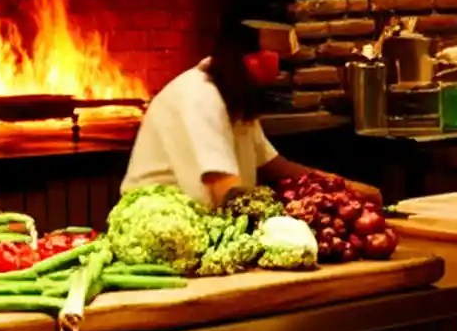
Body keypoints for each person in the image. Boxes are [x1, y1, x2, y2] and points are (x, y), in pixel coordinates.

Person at [122, 15, 383, 209]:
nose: (278, 74)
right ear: (248, 60)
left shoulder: (232, 96)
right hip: (161, 229)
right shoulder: (200, 97)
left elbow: (275, 166)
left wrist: (346, 188)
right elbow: (226, 192)